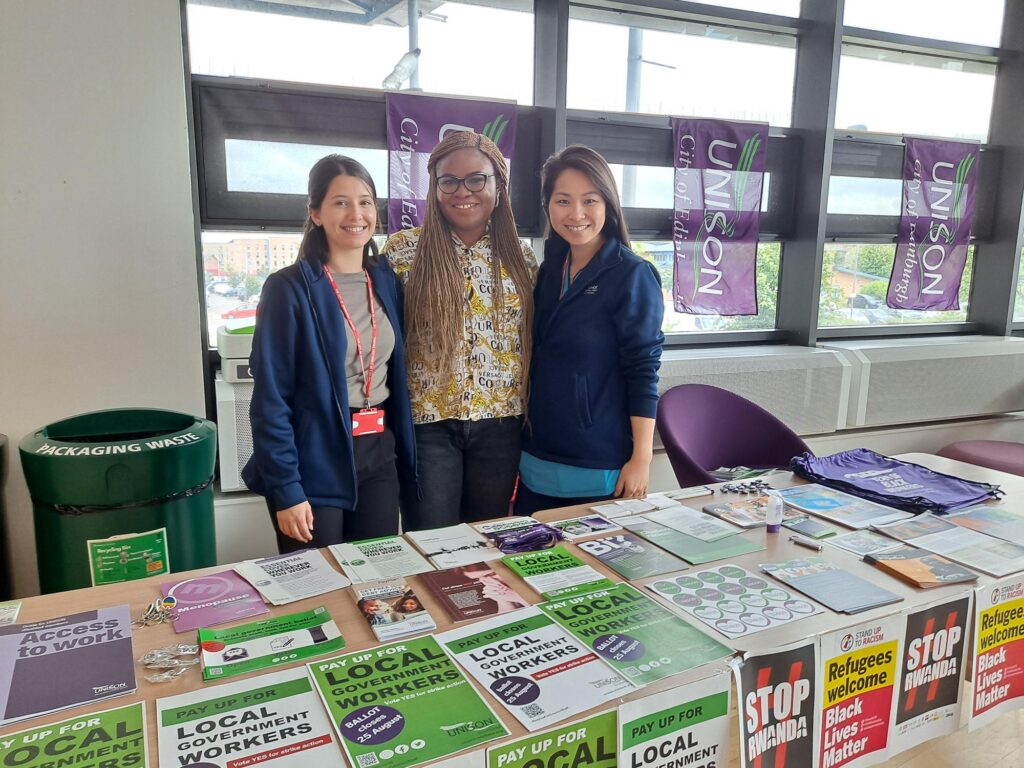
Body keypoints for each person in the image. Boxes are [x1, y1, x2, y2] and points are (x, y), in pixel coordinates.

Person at [243, 155, 416, 552]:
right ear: (316, 213)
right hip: (314, 457)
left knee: (378, 578)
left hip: (377, 453)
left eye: (366, 201)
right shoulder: (289, 289)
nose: (356, 213)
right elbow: (271, 399)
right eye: (341, 202)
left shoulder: (386, 280)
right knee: (317, 587)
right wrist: (286, 488)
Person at [383, 131, 536, 528]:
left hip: (500, 422)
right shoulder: (402, 251)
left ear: (498, 186)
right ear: (434, 188)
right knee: (431, 541)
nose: (461, 191)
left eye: (476, 179)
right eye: (447, 181)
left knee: (486, 538)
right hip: (427, 424)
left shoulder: (523, 257)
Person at [516, 145, 664, 515]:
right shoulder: (547, 270)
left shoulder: (632, 275)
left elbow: (643, 372)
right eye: (563, 201)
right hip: (535, 462)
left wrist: (641, 460)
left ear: (608, 204)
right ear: (548, 205)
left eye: (589, 201)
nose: (576, 214)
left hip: (600, 469)